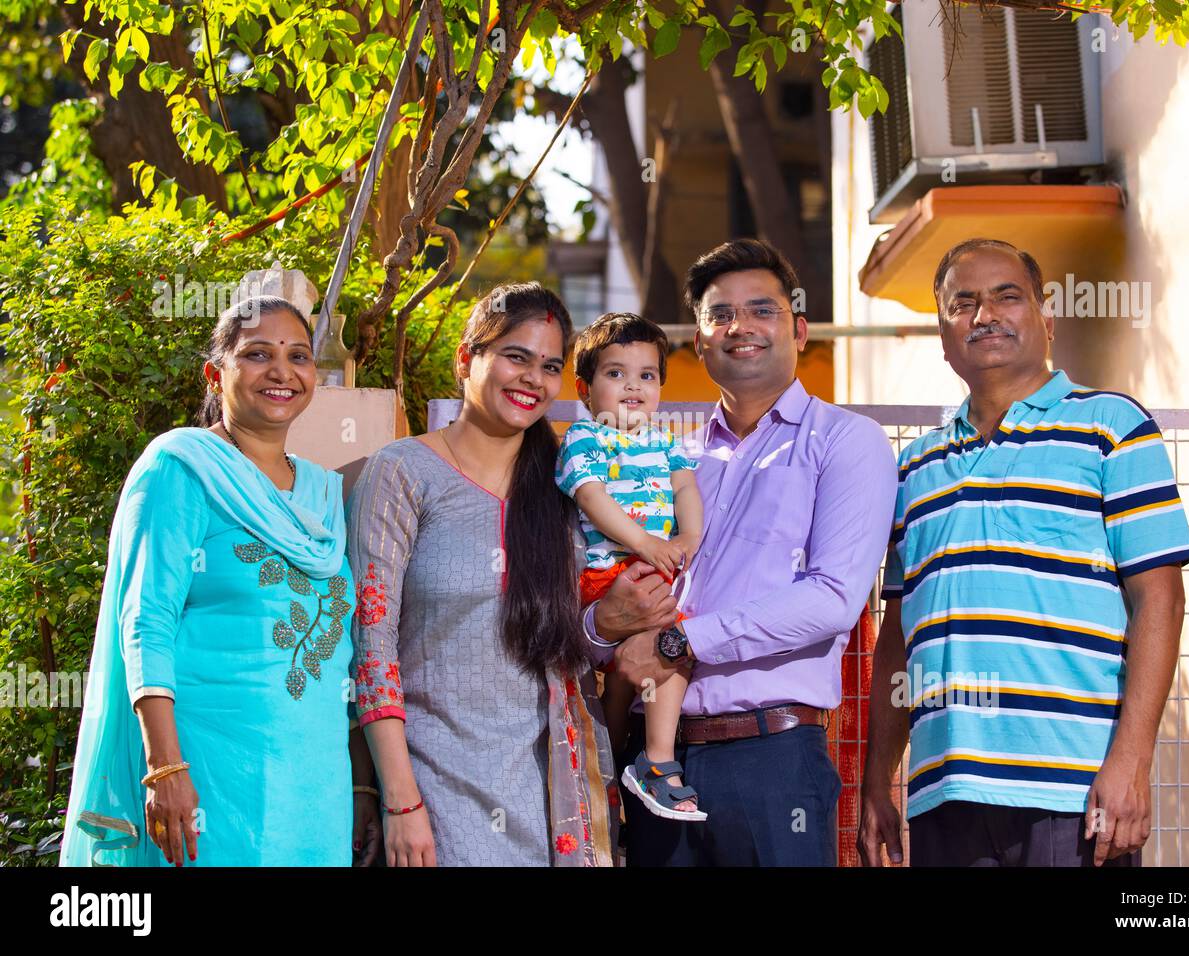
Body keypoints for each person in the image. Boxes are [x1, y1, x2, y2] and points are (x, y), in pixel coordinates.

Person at [858, 238, 1189, 868]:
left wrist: (1131, 761)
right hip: (944, 793)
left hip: (1075, 789)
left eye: (1006, 295)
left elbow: (1160, 599)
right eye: (963, 302)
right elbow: (899, 640)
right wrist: (879, 781)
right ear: (942, 333)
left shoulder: (1112, 426)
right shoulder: (914, 467)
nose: (984, 313)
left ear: (1046, 319)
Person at [586, 239, 897, 866]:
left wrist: (682, 642)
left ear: (800, 329)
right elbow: (608, 586)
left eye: (762, 310)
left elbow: (833, 599)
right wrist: (601, 626)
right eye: (719, 314)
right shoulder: (671, 460)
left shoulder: (846, 442)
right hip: (653, 761)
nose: (741, 327)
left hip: (771, 763)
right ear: (698, 343)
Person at [60, 296, 356, 867]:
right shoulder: (181, 466)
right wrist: (165, 767)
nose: (282, 371)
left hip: (316, 782)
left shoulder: (324, 495)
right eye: (256, 354)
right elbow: (146, 620)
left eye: (298, 356)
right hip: (210, 770)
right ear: (215, 374)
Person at [346, 282, 617, 867]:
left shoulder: (567, 485)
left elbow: (579, 632)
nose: (532, 380)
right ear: (466, 359)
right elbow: (371, 644)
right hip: (430, 784)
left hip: (548, 789)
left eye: (549, 366)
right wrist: (397, 799)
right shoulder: (402, 473)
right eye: (515, 357)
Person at [556, 313, 705, 822]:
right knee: (671, 650)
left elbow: (687, 490)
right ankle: (656, 763)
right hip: (608, 574)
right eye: (615, 374)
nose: (633, 387)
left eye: (646, 375)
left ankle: (615, 764)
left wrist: (687, 538)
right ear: (584, 387)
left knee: (629, 677)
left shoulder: (666, 443)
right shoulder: (583, 438)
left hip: (654, 571)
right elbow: (593, 497)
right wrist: (645, 542)